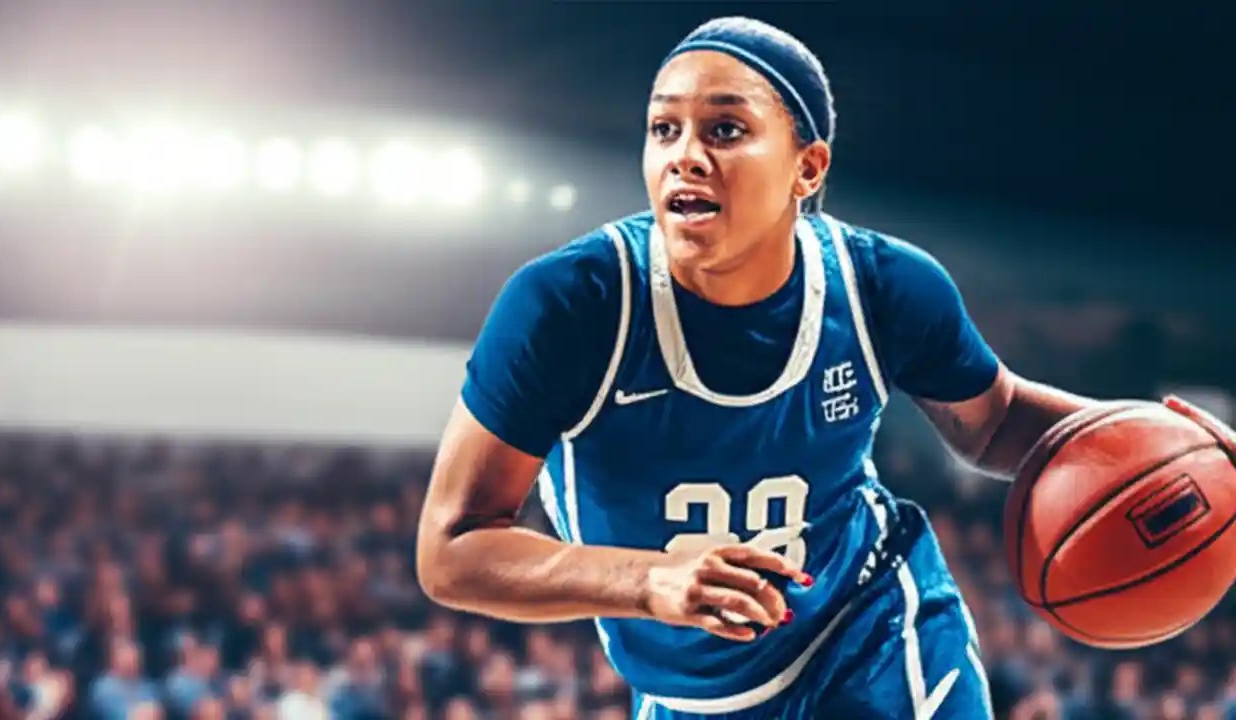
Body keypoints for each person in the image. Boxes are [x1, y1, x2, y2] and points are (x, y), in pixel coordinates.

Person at [415, 16, 1233, 720]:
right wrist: (647, 581)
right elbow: (452, 549)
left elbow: (996, 423)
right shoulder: (570, 305)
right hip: (692, 691)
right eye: (664, 129)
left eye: (725, 130)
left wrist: (1163, 447)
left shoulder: (884, 287)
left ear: (808, 168)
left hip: (870, 622)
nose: (685, 156)